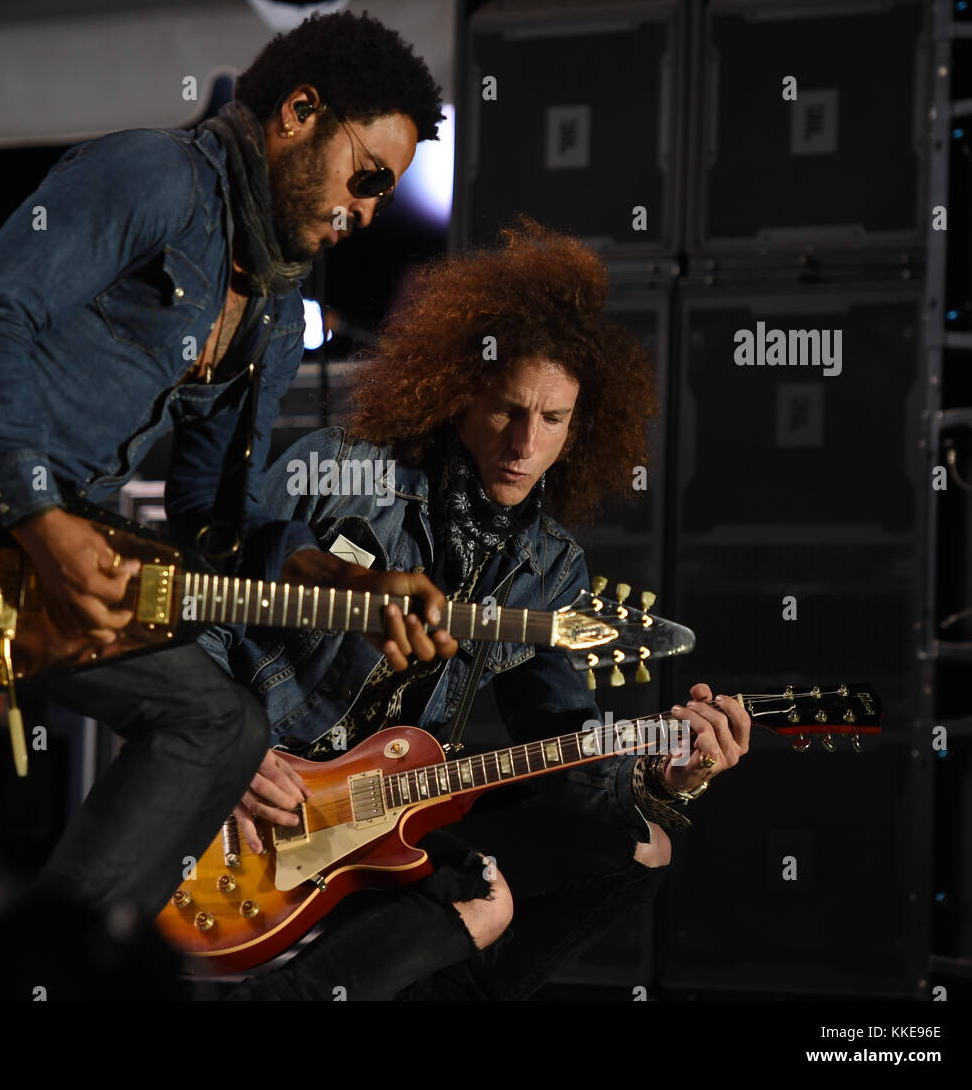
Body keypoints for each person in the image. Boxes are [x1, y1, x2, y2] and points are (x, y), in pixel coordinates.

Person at [0, 10, 453, 921]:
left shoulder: (271, 306)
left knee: (223, 727)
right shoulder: (154, 173)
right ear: (299, 112)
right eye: (368, 174)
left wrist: (347, 585)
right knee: (214, 723)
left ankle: (33, 962)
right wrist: (43, 521)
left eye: (383, 194)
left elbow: (218, 519)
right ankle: (52, 971)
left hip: (12, 530)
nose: (369, 209)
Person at [197, 220, 751, 999]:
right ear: (457, 392)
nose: (525, 442)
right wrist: (234, 747)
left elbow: (562, 743)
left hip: (387, 815)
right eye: (505, 409)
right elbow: (201, 610)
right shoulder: (342, 468)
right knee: (473, 916)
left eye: (553, 420)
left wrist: (670, 769)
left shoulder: (551, 568)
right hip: (263, 793)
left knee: (638, 846)